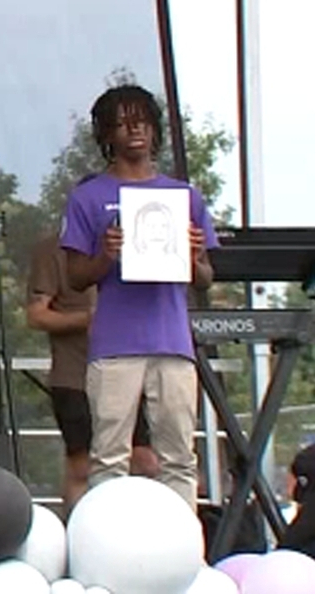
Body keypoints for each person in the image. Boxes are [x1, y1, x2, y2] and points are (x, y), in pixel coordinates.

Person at [61, 83, 217, 508]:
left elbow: (205, 278)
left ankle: (184, 540)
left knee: (179, 457)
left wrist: (192, 257)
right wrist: (105, 256)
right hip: (115, 344)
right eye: (124, 124)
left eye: (143, 122)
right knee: (109, 456)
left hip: (173, 341)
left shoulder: (184, 196)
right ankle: (105, 537)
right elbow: (75, 277)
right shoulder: (88, 197)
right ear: (106, 134)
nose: (136, 131)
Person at [25, 232, 160, 510]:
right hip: (74, 376)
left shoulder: (138, 240)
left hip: (128, 371)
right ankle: (79, 530)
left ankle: (135, 526)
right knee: (82, 467)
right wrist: (88, 319)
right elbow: (36, 315)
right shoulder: (53, 249)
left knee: (145, 461)